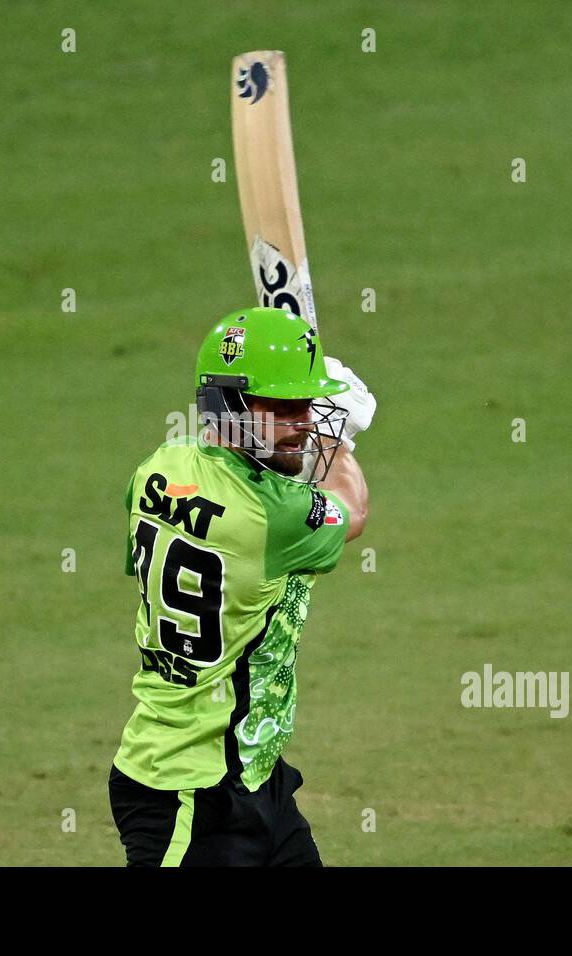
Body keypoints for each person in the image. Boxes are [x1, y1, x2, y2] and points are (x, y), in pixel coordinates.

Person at [108, 306, 375, 866]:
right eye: (283, 408)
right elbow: (351, 514)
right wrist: (341, 439)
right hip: (187, 792)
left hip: (253, 772)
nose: (304, 421)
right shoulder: (268, 517)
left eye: (307, 405)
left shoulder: (157, 466)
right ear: (227, 407)